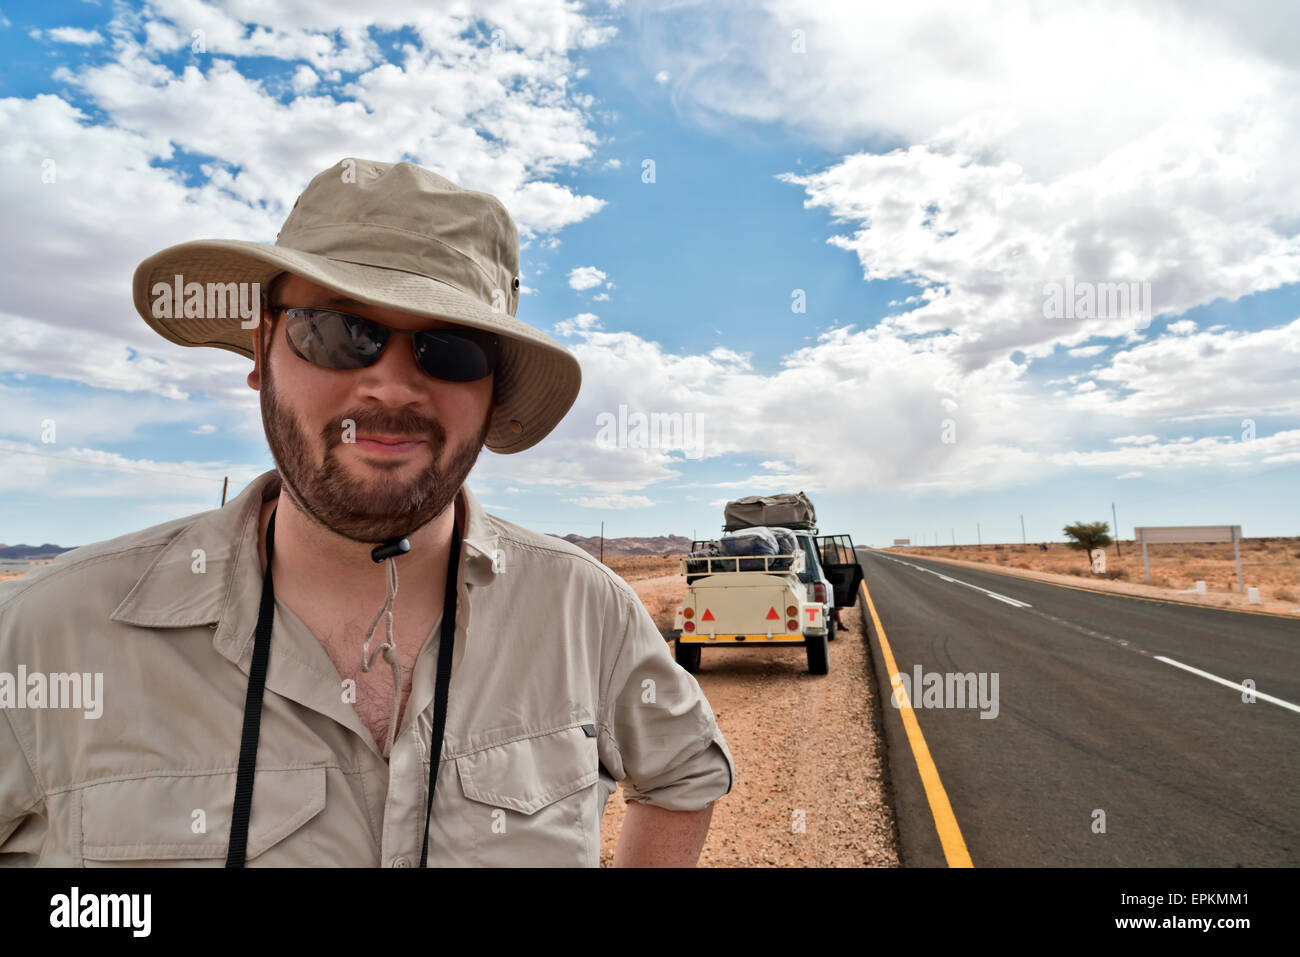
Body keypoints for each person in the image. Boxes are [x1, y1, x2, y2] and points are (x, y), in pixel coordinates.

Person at [0, 158, 733, 867]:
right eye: (340, 329)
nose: (391, 385)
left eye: (449, 348)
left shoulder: (584, 609)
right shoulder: (45, 637)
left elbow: (684, 771)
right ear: (262, 346)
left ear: (494, 389)